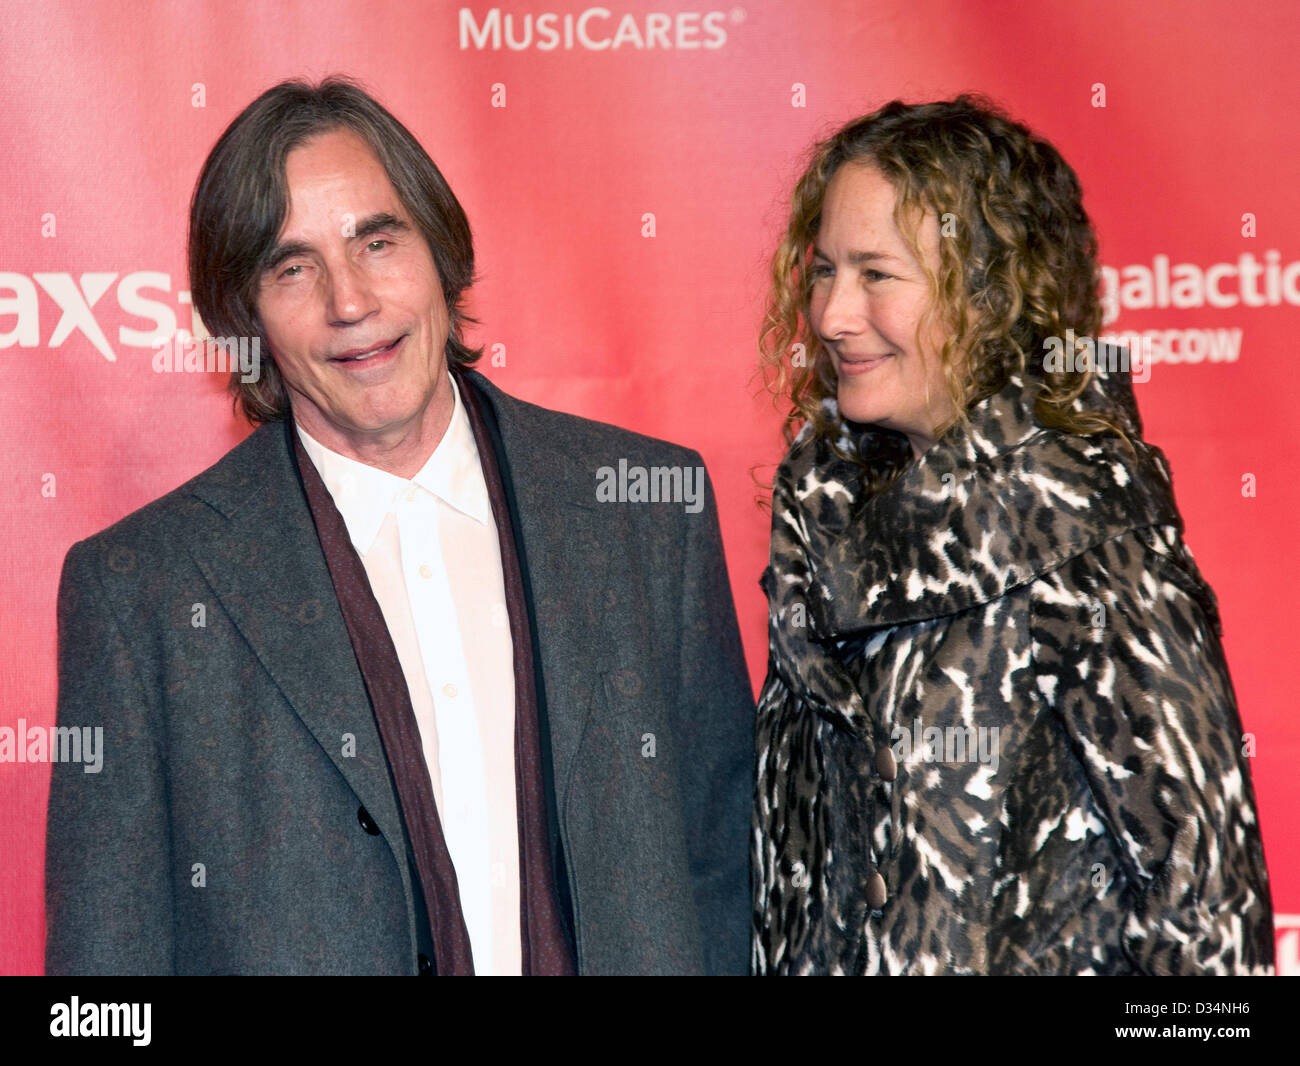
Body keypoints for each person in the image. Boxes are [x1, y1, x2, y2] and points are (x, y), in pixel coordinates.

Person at [45, 77, 754, 976]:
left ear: (441, 254)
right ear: (244, 317)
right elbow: (102, 976)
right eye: (291, 267)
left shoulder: (646, 507)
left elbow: (725, 869)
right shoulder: (141, 590)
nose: (351, 302)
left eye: (378, 242)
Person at [752, 96, 1274, 975]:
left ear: (989, 296)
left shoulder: (1089, 538)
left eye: (877, 274)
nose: (832, 314)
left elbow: (1208, 913)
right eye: (824, 270)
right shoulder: (821, 515)